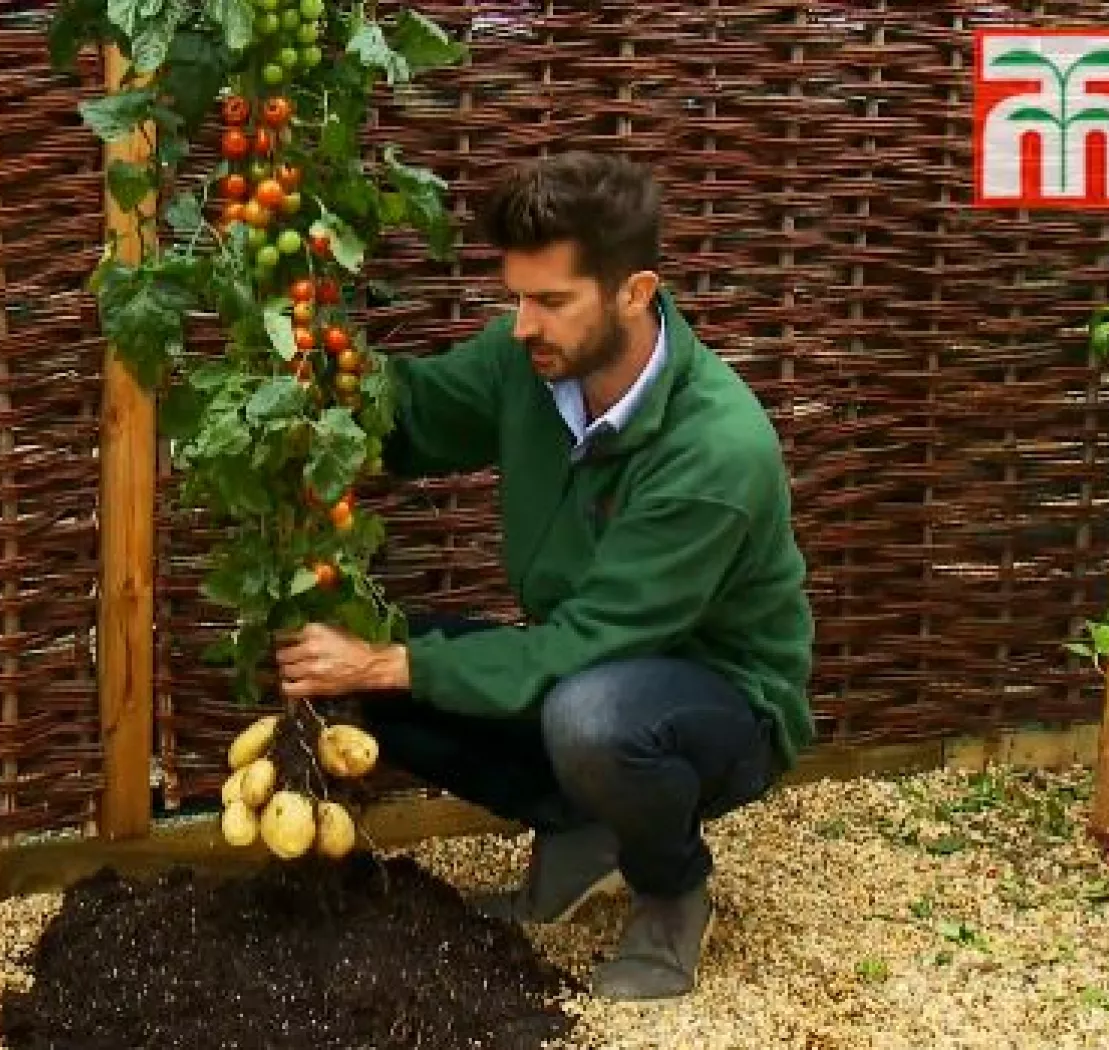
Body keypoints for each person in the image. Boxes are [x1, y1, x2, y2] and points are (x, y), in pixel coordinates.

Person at [272, 150, 816, 1002]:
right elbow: (409, 417)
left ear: (635, 292)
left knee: (587, 717)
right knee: (371, 666)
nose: (524, 324)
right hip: (586, 662)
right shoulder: (528, 362)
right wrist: (301, 361)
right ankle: (584, 830)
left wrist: (385, 663)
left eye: (552, 301)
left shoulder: (715, 450)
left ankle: (671, 893)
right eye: (517, 297)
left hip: (721, 704)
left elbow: (590, 643)